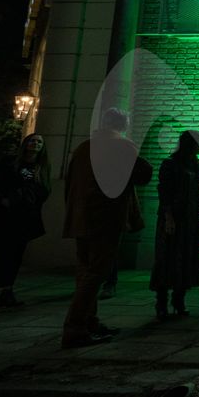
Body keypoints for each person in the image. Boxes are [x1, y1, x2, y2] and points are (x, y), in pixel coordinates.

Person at [61, 108, 153, 349]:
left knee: (84, 270)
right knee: (96, 273)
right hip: (105, 217)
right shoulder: (122, 146)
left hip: (81, 217)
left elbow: (70, 182)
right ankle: (75, 326)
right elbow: (144, 174)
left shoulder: (82, 148)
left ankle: (90, 321)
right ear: (123, 125)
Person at [0, 133, 51, 308]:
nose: (35, 144)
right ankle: (6, 289)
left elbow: (45, 190)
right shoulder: (10, 162)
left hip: (25, 215)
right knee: (7, 250)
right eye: (32, 141)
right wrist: (3, 200)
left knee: (17, 252)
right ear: (25, 143)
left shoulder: (41, 167)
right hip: (6, 214)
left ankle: (8, 288)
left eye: (39, 142)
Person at [150, 130, 199, 321]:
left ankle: (179, 299)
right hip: (174, 219)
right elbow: (164, 192)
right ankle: (162, 302)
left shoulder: (196, 165)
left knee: (186, 260)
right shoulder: (171, 164)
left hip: (190, 220)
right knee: (167, 259)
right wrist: (168, 217)